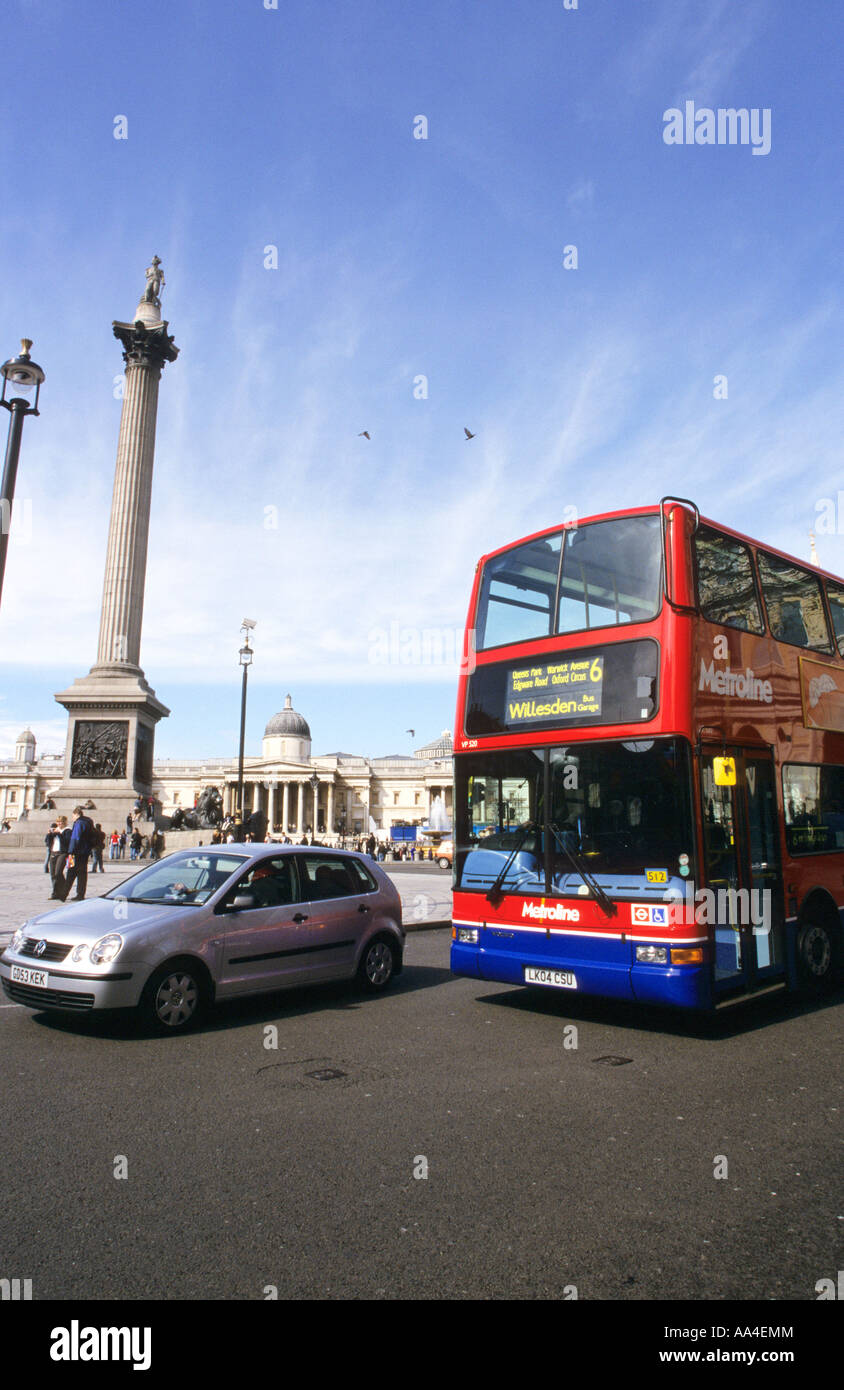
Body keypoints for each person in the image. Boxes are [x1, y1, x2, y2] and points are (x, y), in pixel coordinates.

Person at [63, 806, 95, 901]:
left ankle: (63, 894)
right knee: (82, 874)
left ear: (77, 814)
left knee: (70, 873)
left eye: (73, 815)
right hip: (85, 852)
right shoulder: (88, 822)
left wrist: (70, 851)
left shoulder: (79, 823)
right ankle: (80, 894)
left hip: (76, 852)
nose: (72, 818)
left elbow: (75, 838)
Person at [48, 816, 71, 900]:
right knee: (53, 874)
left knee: (58, 873)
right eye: (58, 822)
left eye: (61, 822)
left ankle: (64, 890)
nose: (59, 823)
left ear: (65, 822)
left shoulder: (68, 831)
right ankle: (55, 893)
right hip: (53, 852)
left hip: (62, 853)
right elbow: (48, 842)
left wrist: (59, 834)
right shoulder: (55, 829)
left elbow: (66, 842)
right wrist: (50, 835)